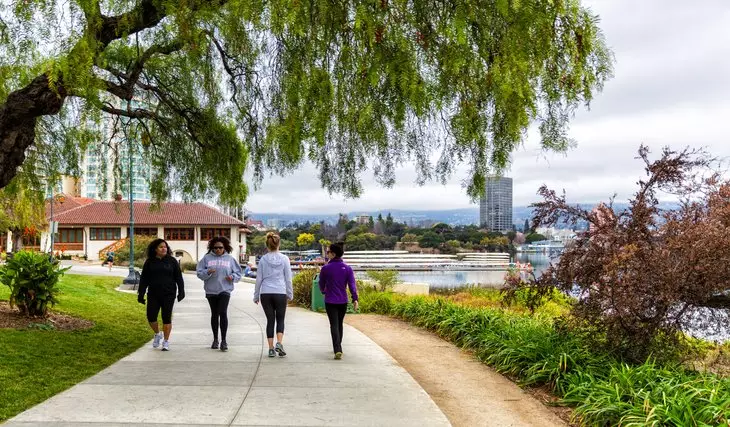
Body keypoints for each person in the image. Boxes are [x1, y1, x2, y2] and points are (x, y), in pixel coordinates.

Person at [137, 239, 185, 351]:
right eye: (161, 247)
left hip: (169, 293)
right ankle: (158, 334)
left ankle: (166, 341)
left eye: (165, 247)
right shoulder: (149, 262)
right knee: (151, 316)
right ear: (155, 249)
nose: (164, 249)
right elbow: (144, 278)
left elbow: (178, 277)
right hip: (153, 293)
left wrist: (181, 291)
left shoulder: (172, 261)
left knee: (166, 317)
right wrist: (141, 293)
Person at [196, 236, 242, 352]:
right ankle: (215, 339)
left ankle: (224, 341)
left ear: (225, 247)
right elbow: (199, 273)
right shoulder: (206, 258)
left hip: (225, 290)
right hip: (211, 291)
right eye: (215, 248)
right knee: (214, 314)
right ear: (212, 248)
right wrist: (207, 272)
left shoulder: (230, 259)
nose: (218, 250)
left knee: (223, 312)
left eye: (220, 248)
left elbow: (238, 273)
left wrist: (232, 277)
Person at [253, 232, 293, 357]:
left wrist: (256, 295)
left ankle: (270, 348)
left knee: (270, 320)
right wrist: (290, 293)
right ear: (278, 244)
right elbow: (288, 278)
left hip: (266, 293)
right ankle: (279, 343)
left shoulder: (263, 259)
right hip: (280, 292)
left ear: (267, 245)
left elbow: (259, 278)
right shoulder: (284, 259)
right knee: (280, 319)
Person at [318, 242, 358, 360]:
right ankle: (338, 345)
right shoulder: (347, 268)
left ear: (333, 254)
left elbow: (321, 283)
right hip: (343, 301)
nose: (327, 253)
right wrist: (355, 298)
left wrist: (324, 291)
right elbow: (352, 285)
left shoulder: (326, 268)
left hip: (330, 300)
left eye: (328, 252)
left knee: (333, 324)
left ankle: (337, 349)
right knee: (339, 323)